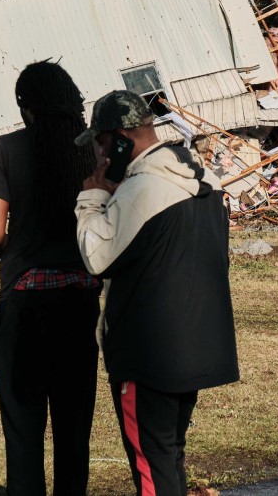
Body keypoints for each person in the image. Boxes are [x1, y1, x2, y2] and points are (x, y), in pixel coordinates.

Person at [74, 91, 239, 496]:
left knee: (151, 464)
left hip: (148, 355)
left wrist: (92, 197)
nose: (100, 153)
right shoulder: (203, 178)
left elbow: (96, 257)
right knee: (169, 455)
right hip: (196, 345)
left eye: (101, 143)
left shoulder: (142, 189)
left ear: (120, 140)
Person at [0, 61, 101, 496]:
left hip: (24, 303)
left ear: (25, 106)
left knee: (23, 436)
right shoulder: (91, 151)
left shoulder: (5, 149)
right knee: (73, 435)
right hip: (80, 303)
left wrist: (18, 249)